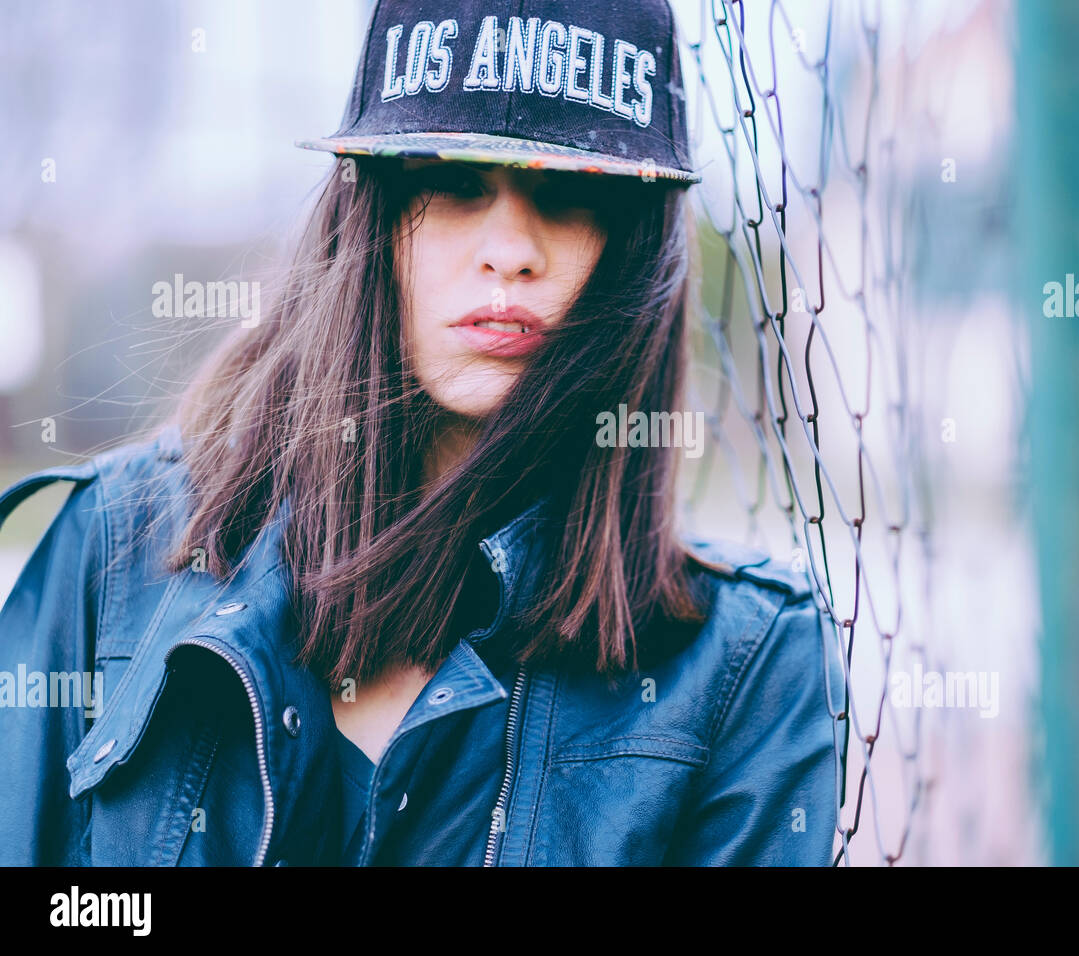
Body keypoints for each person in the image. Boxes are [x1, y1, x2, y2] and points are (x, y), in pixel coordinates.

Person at [0, 0, 844, 866]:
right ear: (367, 217)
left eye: (569, 192)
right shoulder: (111, 548)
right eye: (452, 180)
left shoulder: (748, 669)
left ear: (633, 247)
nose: (511, 248)